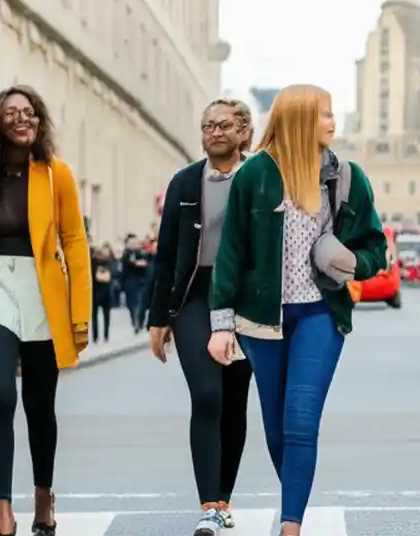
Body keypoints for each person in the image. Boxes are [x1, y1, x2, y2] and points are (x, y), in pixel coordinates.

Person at [206, 84, 386, 536]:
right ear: (300, 119)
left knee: (302, 419)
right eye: (324, 113)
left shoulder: (346, 176)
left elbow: (374, 247)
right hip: (261, 320)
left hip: (320, 315)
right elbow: (231, 252)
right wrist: (221, 324)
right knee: (276, 428)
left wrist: (352, 262)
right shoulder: (255, 175)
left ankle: (291, 526)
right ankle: (295, 502)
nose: (332, 121)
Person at [0, 85, 92, 536]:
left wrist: (79, 314)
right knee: (1, 398)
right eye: (12, 113)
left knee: (39, 405)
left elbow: (74, 241)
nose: (23, 119)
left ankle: (44, 498)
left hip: (43, 290)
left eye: (30, 112)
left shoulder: (56, 174)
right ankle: (3, 512)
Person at [148, 99, 256, 536]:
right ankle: (208, 503)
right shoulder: (184, 182)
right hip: (194, 297)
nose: (215, 132)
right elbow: (167, 252)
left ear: (243, 132)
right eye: (208, 125)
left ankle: (224, 498)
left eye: (225, 125)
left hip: (246, 300)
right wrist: (159, 318)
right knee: (207, 395)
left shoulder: (259, 178)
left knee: (233, 400)